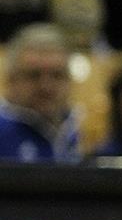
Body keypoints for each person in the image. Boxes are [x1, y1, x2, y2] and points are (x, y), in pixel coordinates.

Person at [0, 23, 78, 163]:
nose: (46, 87)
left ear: (69, 80)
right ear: (11, 80)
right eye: (34, 75)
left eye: (57, 75)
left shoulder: (77, 130)